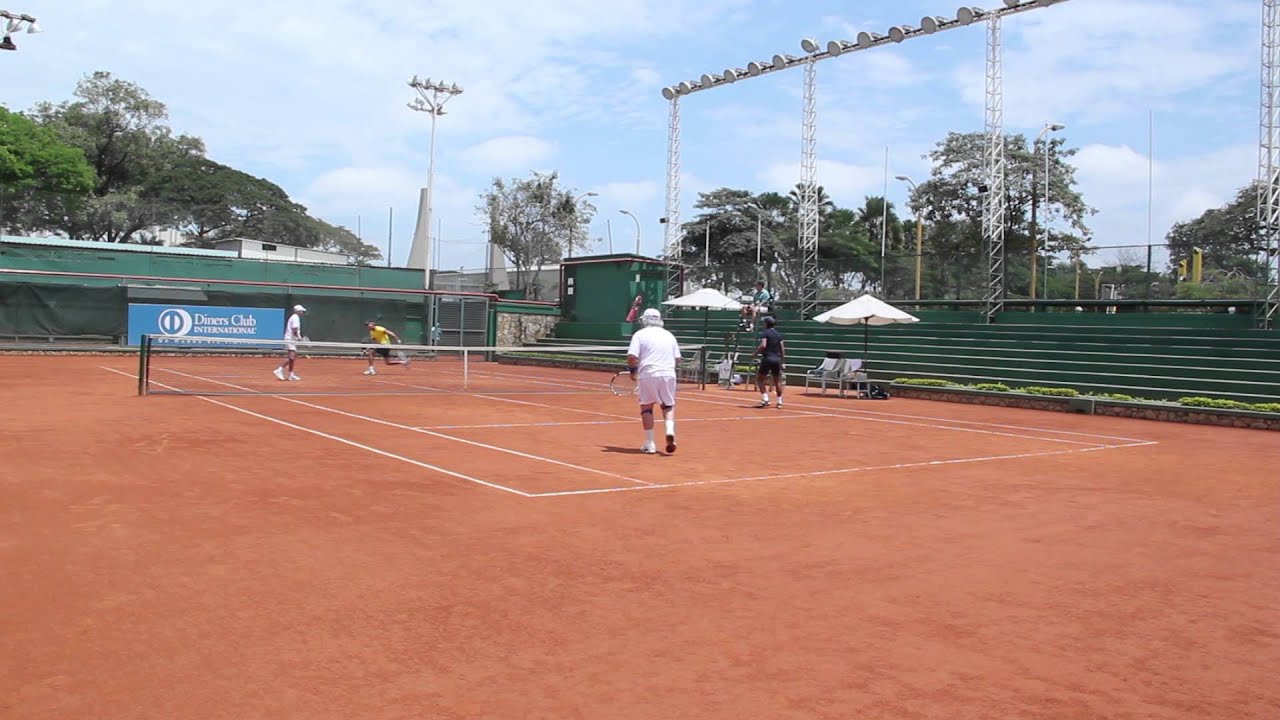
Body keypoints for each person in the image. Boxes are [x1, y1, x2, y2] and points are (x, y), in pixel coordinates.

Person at [626, 308, 681, 455]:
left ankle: (650, 443)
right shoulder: (669, 335)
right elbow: (678, 359)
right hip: (669, 374)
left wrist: (632, 371)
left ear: (645, 320)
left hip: (648, 374)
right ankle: (669, 431)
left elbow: (632, 357)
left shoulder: (639, 335)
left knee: (646, 408)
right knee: (668, 406)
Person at [753, 316, 785, 408]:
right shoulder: (779, 334)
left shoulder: (765, 333)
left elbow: (763, 345)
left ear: (766, 324)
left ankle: (765, 399)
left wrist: (755, 353)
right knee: (777, 381)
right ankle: (779, 402)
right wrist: (783, 361)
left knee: (760, 379)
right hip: (777, 359)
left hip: (767, 358)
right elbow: (782, 349)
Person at [274, 305, 306, 381]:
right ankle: (279, 370)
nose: (302, 312)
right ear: (297, 311)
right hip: (290, 339)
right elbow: (294, 330)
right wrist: (298, 338)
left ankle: (291, 374)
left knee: (292, 358)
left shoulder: (294, 317)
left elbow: (295, 330)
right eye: (301, 311)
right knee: (292, 357)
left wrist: (297, 338)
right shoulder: (295, 318)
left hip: (291, 339)